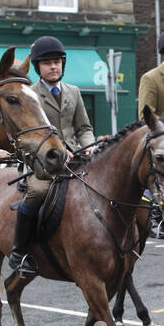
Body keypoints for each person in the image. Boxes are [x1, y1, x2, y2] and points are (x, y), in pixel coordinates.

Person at [9, 35, 96, 278]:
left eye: (57, 61)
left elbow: (83, 128)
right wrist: (54, 151)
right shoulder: (30, 94)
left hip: (76, 158)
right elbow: (25, 135)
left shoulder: (74, 92)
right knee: (37, 193)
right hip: (42, 164)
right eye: (47, 63)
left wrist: (88, 145)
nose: (54, 66)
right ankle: (19, 252)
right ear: (37, 67)